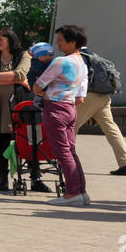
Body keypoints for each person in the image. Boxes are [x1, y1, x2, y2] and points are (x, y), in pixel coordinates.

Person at [0, 27, 48, 193]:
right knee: (1, 141)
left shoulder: (24, 55)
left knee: (29, 140)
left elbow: (21, 73)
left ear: (10, 39)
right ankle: (3, 178)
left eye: (1, 39)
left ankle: (36, 178)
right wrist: (17, 80)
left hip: (21, 104)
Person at [34, 25, 90, 206]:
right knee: (71, 151)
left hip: (55, 108)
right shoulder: (82, 62)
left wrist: (46, 93)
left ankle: (72, 193)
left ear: (72, 42)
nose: (57, 44)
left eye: (60, 41)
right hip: (70, 107)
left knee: (62, 152)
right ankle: (81, 192)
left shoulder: (61, 61)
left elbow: (38, 85)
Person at [75, 44, 126, 176]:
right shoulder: (95, 56)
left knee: (70, 128)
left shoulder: (78, 57)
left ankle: (66, 163)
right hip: (104, 97)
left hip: (88, 97)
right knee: (111, 129)